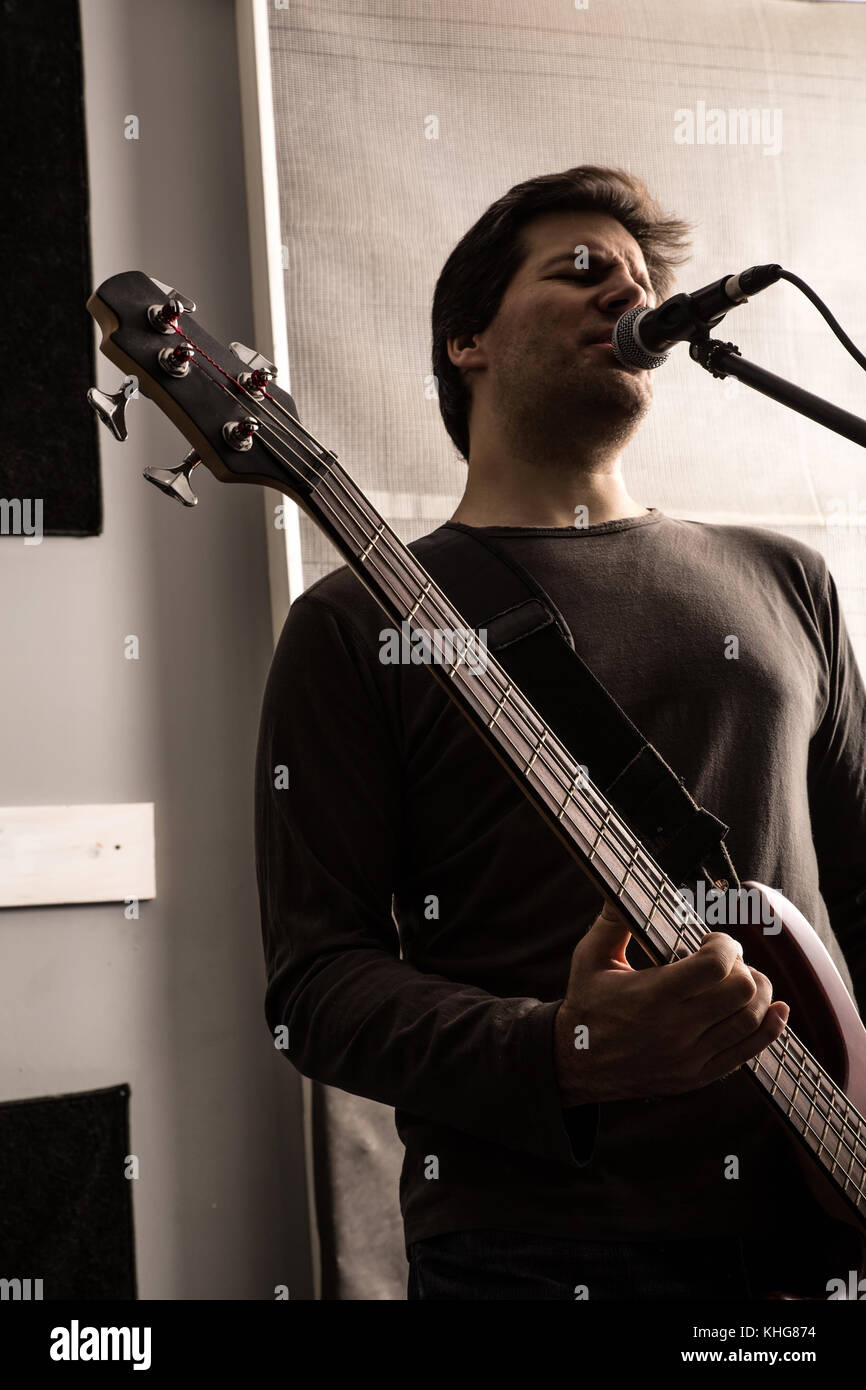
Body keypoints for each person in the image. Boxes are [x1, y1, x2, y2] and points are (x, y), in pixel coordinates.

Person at [255, 166, 866, 1300]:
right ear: (465, 342)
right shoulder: (357, 619)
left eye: (636, 282)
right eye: (578, 269)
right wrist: (558, 1049)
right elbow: (316, 985)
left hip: (822, 1220)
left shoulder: (788, 580)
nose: (619, 296)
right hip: (537, 1245)